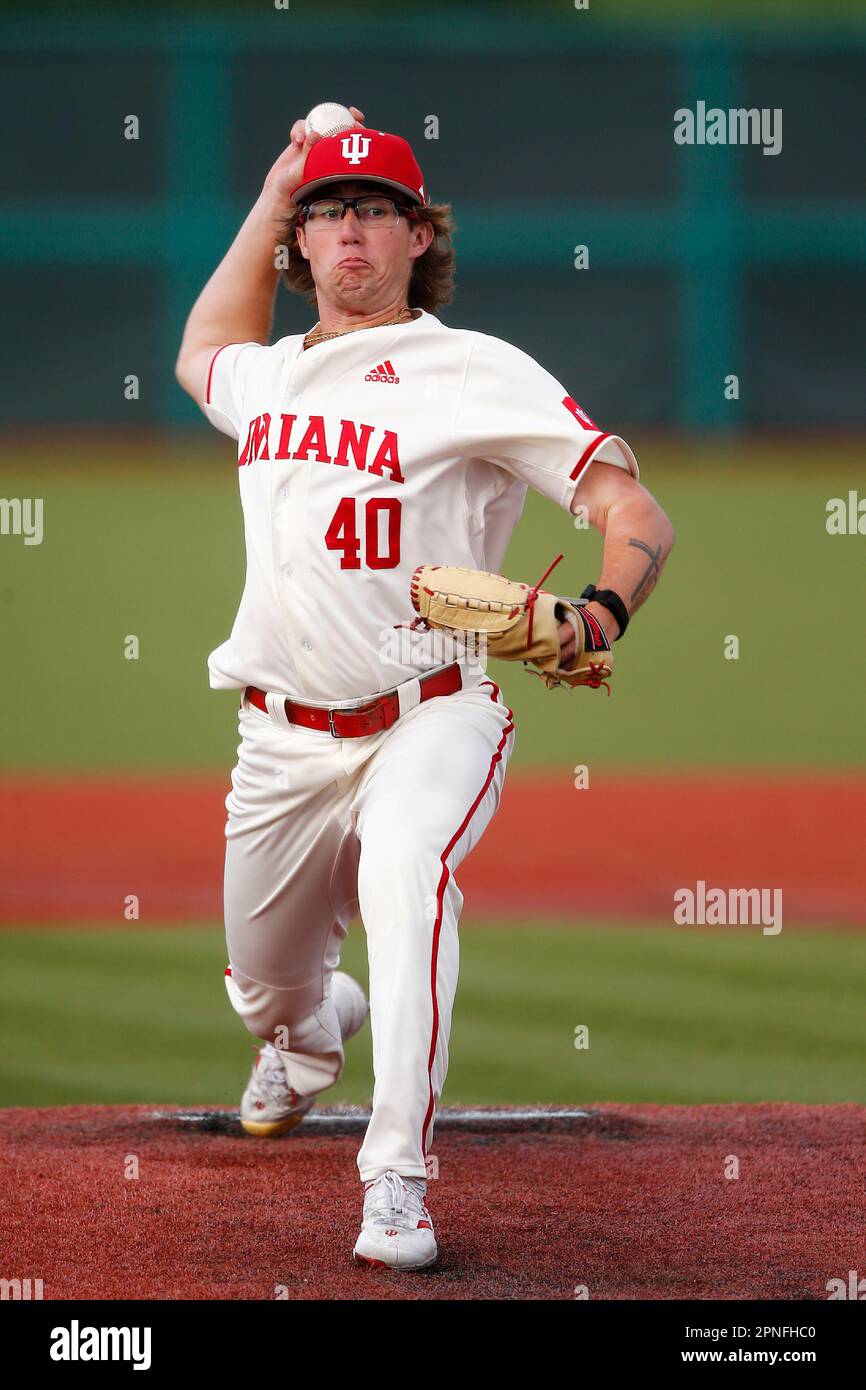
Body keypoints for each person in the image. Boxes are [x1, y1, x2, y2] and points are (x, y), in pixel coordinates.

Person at [174, 107, 674, 1272]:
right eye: (328, 214)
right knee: (265, 986)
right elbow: (202, 344)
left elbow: (630, 506)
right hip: (279, 741)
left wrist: (600, 608)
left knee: (409, 876)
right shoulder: (268, 379)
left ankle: (394, 1180)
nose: (349, 232)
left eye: (374, 212)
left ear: (416, 237)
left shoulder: (472, 369)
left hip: (433, 712)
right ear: (300, 246)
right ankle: (308, 1038)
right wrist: (271, 191)